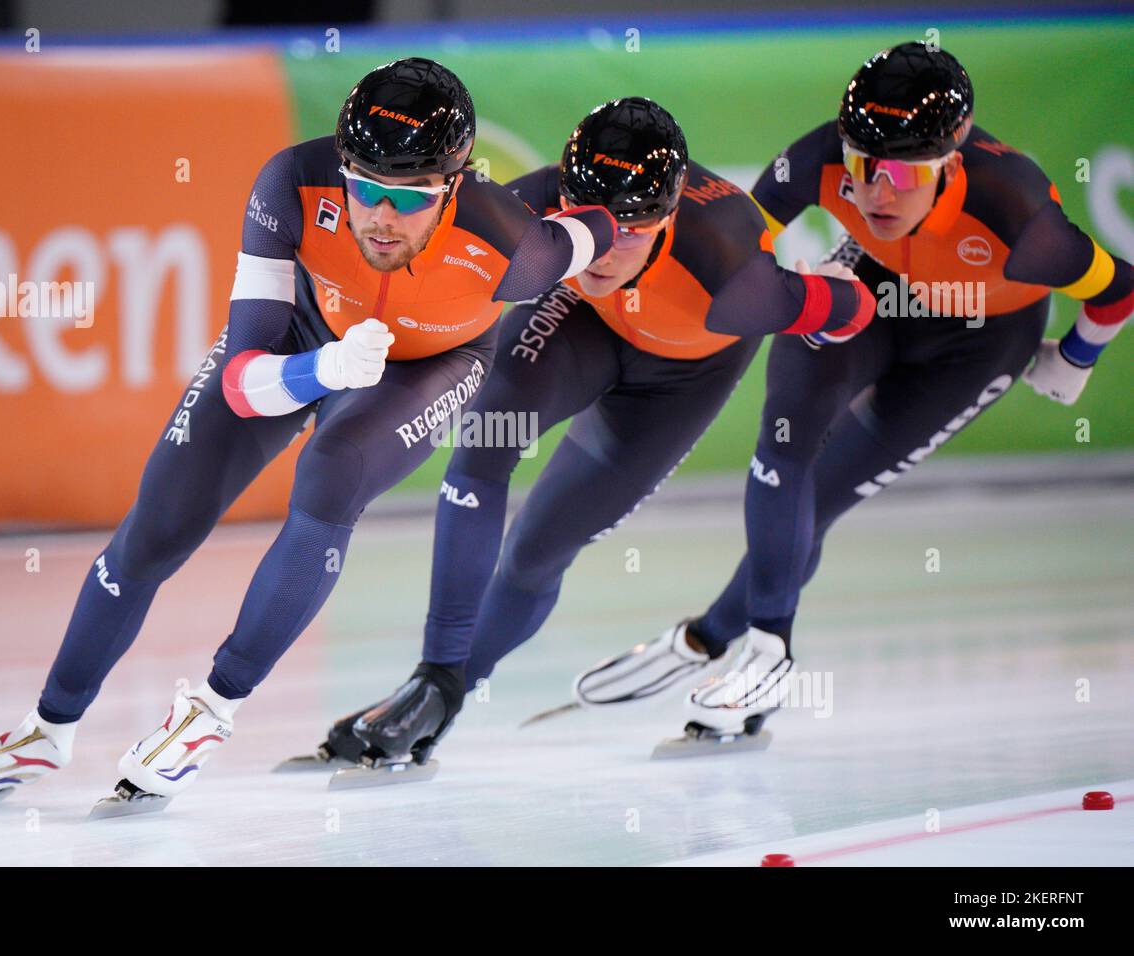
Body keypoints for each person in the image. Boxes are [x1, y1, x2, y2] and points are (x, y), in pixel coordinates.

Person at [0, 57, 620, 815]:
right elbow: (243, 379)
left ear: (454, 186)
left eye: (407, 200)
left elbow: (598, 228)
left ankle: (211, 709)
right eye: (365, 187)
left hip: (431, 363)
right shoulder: (291, 185)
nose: (380, 217)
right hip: (305, 334)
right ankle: (47, 727)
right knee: (157, 524)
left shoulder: (512, 246)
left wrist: (623, 216)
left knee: (332, 472)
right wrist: (325, 368)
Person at [569, 42, 1132, 745]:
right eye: (862, 167)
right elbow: (734, 245)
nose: (874, 193)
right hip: (866, 290)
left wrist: (1076, 357)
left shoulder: (1019, 218)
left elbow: (1119, 286)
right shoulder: (818, 159)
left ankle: (709, 636)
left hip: (977, 344)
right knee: (783, 448)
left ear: (951, 161)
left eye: (899, 174)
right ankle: (766, 649)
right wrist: (782, 282)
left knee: (826, 493)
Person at [302, 96, 877, 775]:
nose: (606, 247)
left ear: (666, 219)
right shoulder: (534, 206)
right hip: (580, 316)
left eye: (630, 232)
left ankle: (449, 693)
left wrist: (841, 298)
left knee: (537, 551)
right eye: (590, 226)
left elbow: (854, 306)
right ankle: (433, 679)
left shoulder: (736, 276)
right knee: (483, 446)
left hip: (682, 375)